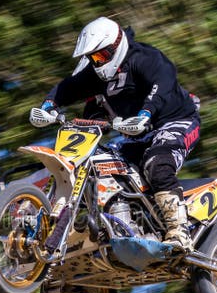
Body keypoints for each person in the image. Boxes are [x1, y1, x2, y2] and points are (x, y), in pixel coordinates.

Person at [40, 16, 200, 251]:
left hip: (176, 122)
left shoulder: (145, 58)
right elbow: (68, 87)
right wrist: (48, 106)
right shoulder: (97, 74)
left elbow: (163, 84)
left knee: (157, 163)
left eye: (101, 56)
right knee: (95, 163)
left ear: (116, 45)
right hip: (137, 135)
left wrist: (146, 113)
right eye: (92, 58)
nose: (97, 62)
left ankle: (179, 231)